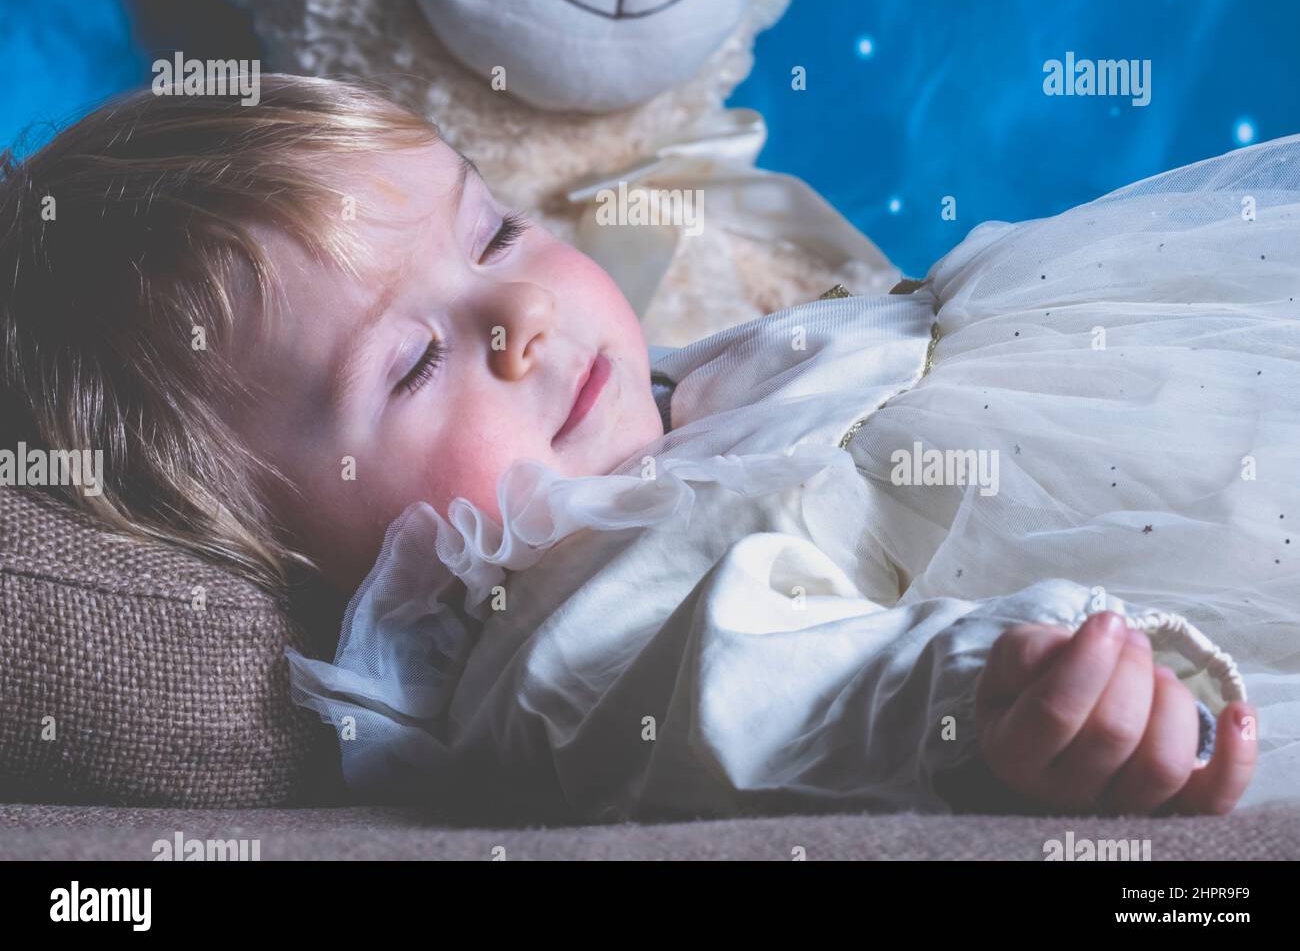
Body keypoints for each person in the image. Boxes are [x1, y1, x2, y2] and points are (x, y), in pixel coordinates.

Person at [4, 74, 1285, 823]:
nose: (521, 315)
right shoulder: (560, 599)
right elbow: (747, 688)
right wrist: (984, 693)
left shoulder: (669, 402)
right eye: (406, 366)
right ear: (277, 540)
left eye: (493, 233)